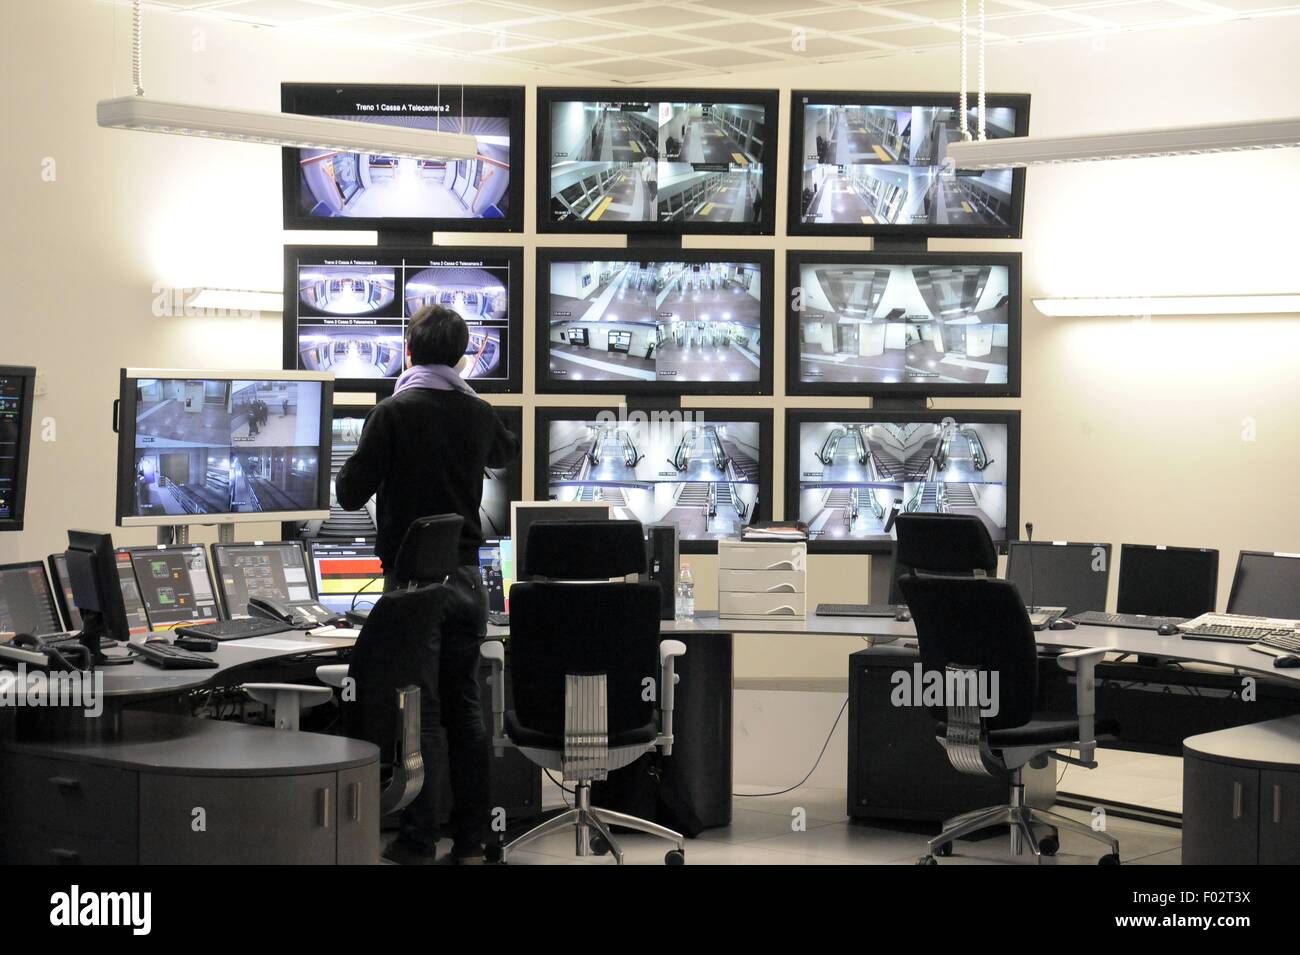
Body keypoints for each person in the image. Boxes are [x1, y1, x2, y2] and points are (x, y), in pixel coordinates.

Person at [336, 304, 519, 865]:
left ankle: (417, 840)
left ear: (408, 353)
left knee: (422, 710)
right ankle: (472, 837)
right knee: (464, 704)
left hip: (415, 586)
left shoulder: (394, 411)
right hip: (467, 578)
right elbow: (504, 452)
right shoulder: (477, 411)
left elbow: (348, 492)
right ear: (463, 356)